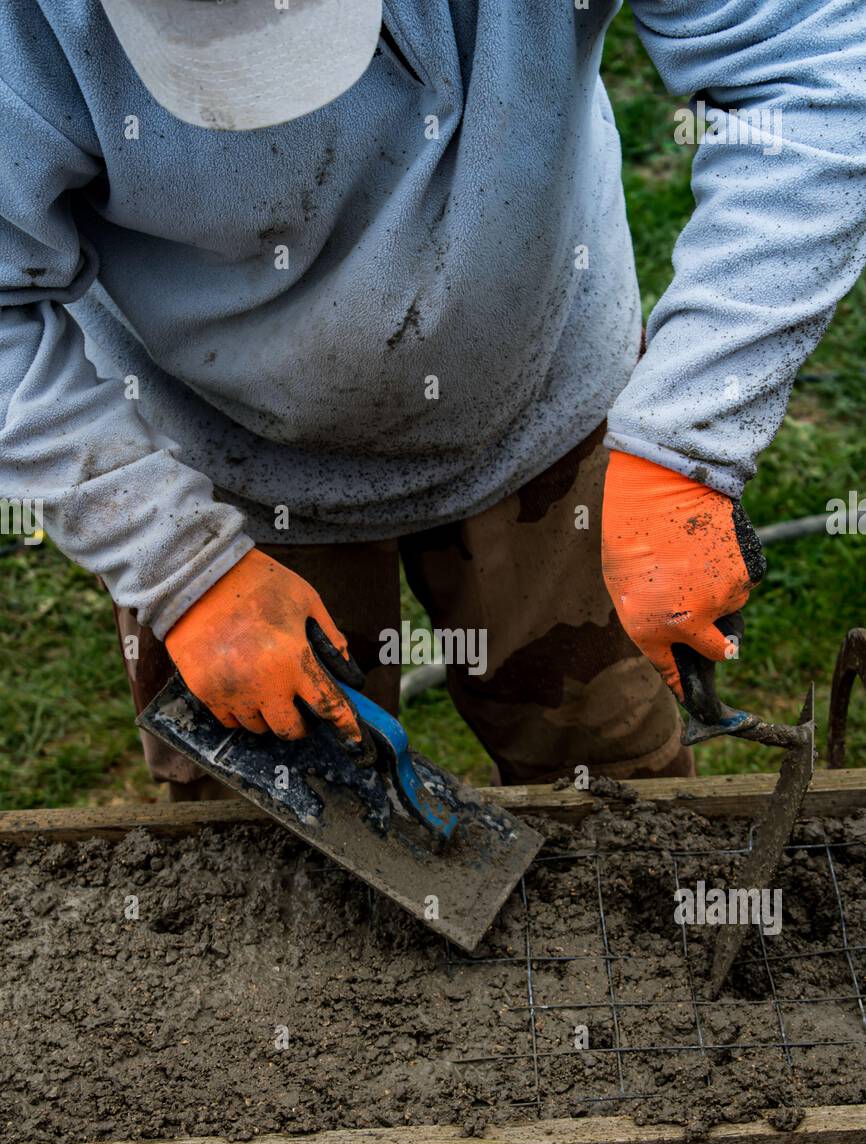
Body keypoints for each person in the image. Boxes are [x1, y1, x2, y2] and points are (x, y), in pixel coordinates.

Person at [2, 1, 863, 798]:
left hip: (540, 397)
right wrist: (178, 568)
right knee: (269, 835)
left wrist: (689, 441)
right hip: (210, 459)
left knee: (613, 775)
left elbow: (816, 65)